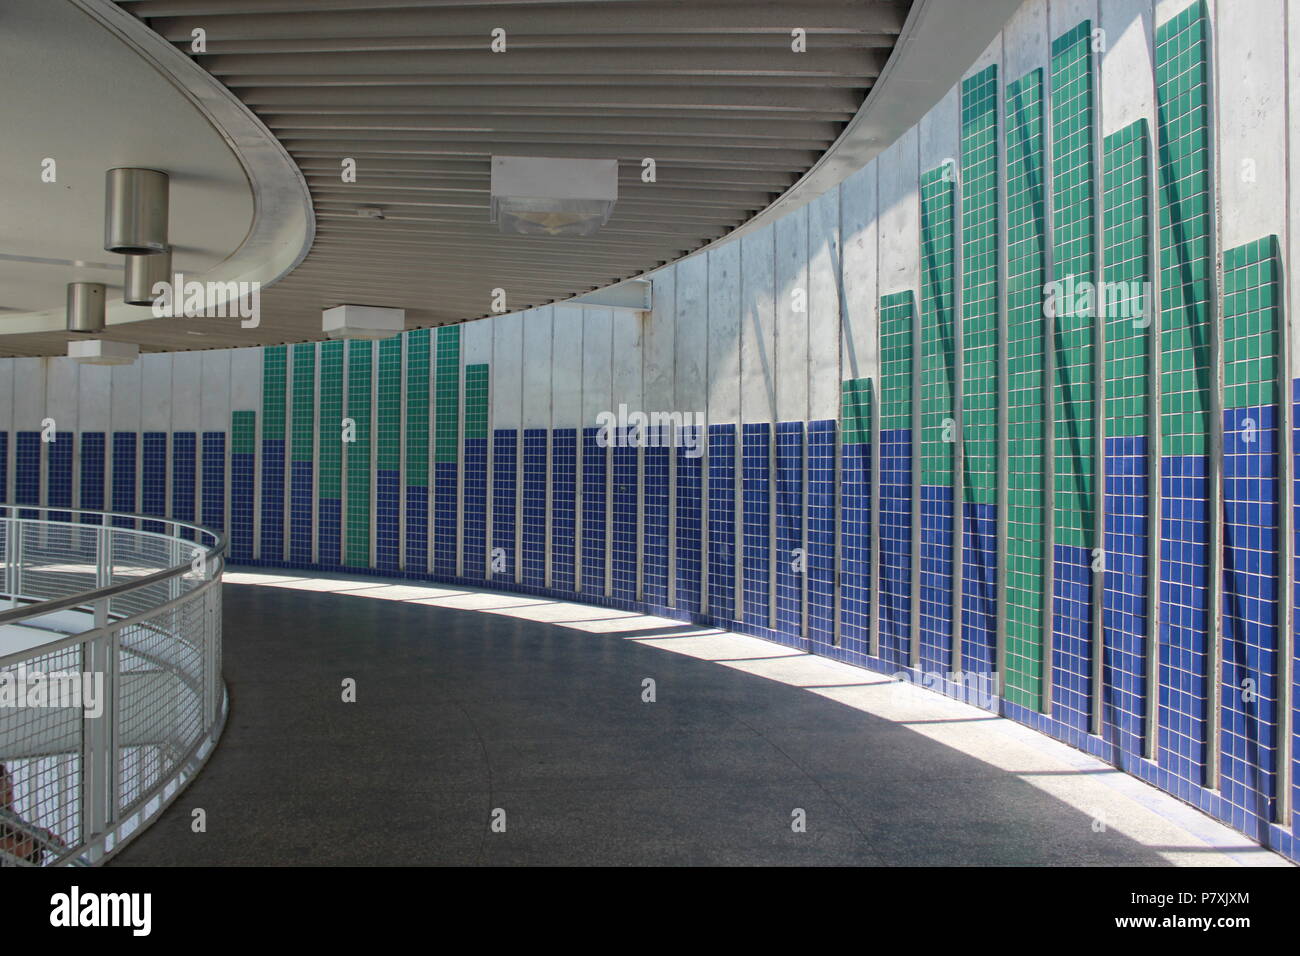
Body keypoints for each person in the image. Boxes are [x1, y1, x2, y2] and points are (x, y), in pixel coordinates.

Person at [0, 762, 61, 865]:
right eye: (0, 783)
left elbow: (23, 838)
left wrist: (42, 835)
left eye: (8, 779)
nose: (7, 785)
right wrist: (37, 837)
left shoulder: (10, 816)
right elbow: (21, 851)